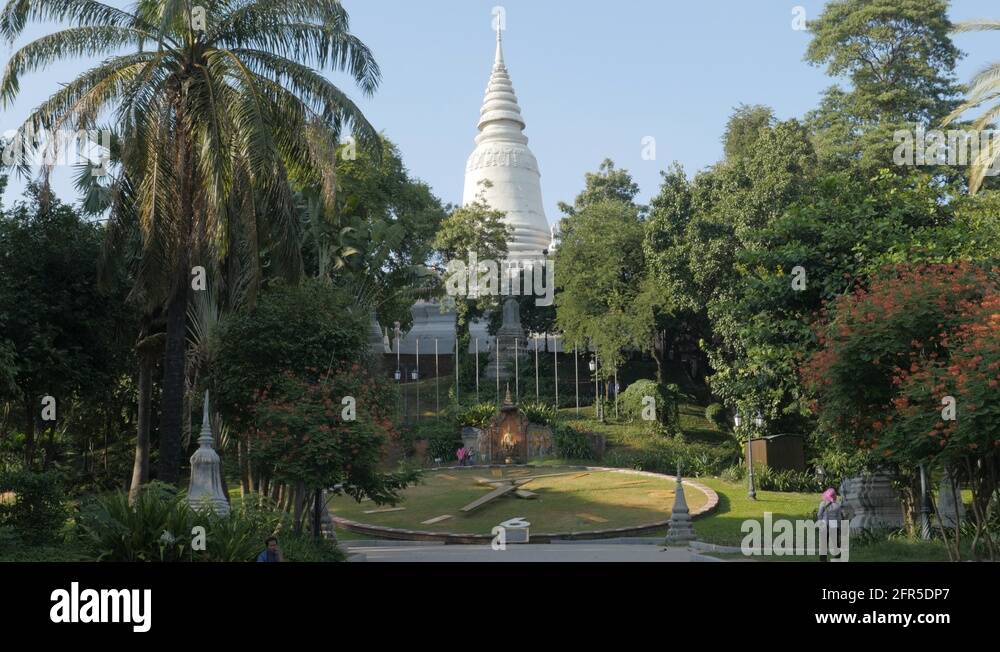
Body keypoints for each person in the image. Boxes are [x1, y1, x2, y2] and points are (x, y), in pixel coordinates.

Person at [818, 488, 842, 562]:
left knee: (823, 543)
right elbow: (839, 517)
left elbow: (819, 514)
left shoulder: (823, 503)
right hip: (834, 525)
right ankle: (838, 557)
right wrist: (839, 526)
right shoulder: (837, 505)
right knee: (835, 543)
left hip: (824, 524)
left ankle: (823, 559)